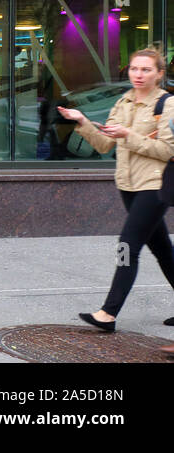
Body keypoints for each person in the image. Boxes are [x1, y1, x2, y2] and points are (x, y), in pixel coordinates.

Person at [57, 47, 174, 332]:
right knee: (162, 249)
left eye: (146, 69)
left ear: (159, 74)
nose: (139, 74)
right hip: (127, 184)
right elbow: (104, 145)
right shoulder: (123, 102)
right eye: (134, 68)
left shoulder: (168, 105)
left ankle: (108, 313)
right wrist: (82, 121)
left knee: (127, 246)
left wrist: (128, 136)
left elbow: (169, 149)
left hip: (155, 185)